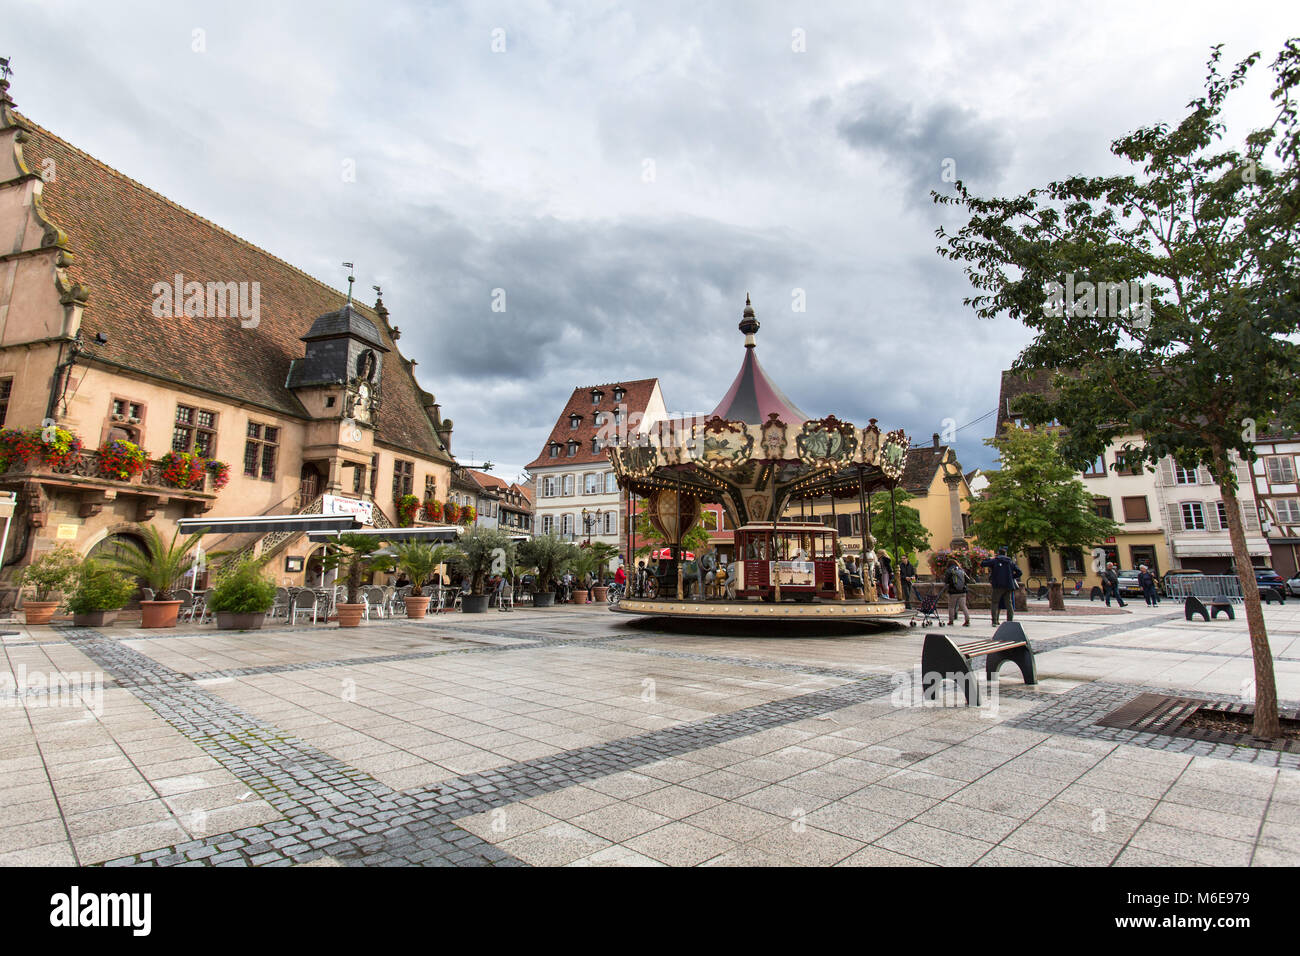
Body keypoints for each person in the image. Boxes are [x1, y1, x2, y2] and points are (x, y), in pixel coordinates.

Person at [981, 547, 1022, 625]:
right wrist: (1011, 577)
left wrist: (990, 558)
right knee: (1009, 603)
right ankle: (1010, 620)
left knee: (995, 602)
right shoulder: (1010, 562)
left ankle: (994, 621)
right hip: (1008, 585)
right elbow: (1019, 572)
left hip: (998, 585)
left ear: (998, 553)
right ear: (1005, 554)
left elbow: (983, 563)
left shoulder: (995, 560)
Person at [944, 560, 971, 627]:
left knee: (951, 607)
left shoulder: (949, 571)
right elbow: (968, 580)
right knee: (964, 606)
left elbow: (946, 581)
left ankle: (951, 621)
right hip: (962, 591)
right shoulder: (961, 570)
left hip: (953, 592)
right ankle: (967, 620)